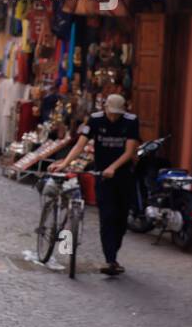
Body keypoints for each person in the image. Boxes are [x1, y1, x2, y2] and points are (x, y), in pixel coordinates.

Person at [50, 93, 140, 276]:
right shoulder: (95, 120)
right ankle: (110, 259)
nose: (113, 117)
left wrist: (113, 167)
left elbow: (130, 151)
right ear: (105, 108)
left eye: (117, 114)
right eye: (111, 113)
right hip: (103, 176)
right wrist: (65, 163)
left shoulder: (131, 121)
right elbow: (79, 145)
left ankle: (113, 250)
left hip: (123, 175)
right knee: (107, 216)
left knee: (121, 219)